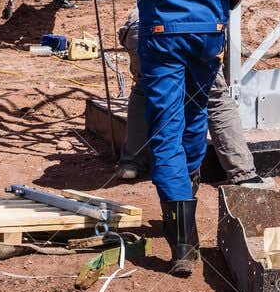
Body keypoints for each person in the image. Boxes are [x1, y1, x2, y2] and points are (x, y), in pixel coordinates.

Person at [114, 0, 250, 276]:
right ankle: (186, 214)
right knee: (195, 118)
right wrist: (222, 0)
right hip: (208, 30)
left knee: (167, 128)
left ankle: (183, 244)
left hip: (161, 29)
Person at [115, 13, 268, 187]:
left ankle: (130, 163)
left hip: (143, 28)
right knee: (215, 99)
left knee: (144, 91)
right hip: (195, 30)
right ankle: (244, 173)